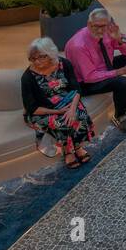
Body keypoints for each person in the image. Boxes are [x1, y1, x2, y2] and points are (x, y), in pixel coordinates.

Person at [65, 9, 126, 133]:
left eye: (104, 26)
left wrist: (118, 39)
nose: (101, 30)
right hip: (85, 82)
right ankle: (120, 115)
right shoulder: (78, 45)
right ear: (89, 24)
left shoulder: (108, 32)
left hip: (105, 67)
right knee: (122, 82)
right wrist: (119, 71)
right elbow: (90, 76)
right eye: (97, 26)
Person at [21, 38, 94, 170]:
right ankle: (68, 151)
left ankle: (77, 147)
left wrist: (72, 109)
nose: (37, 61)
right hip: (44, 110)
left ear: (50, 54)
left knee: (79, 114)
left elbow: (76, 89)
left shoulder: (63, 64)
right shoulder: (27, 77)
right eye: (33, 58)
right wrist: (58, 112)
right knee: (62, 122)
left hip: (68, 102)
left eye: (41, 57)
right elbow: (32, 107)